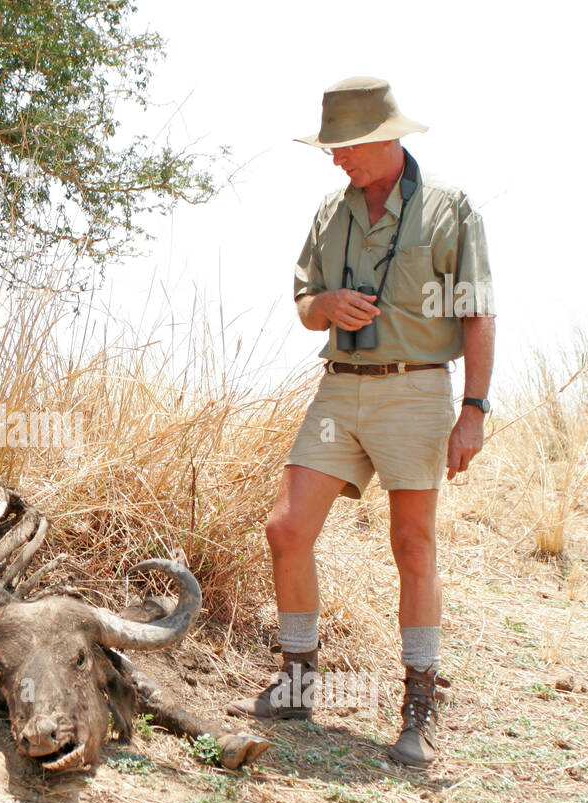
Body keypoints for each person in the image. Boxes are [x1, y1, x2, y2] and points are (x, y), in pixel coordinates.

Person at [226, 77, 496, 768]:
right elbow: (304, 302)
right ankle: (297, 681)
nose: (335, 160)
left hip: (416, 391)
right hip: (339, 392)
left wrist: (474, 410)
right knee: (286, 528)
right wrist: (329, 305)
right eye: (331, 148)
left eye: (344, 147)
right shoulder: (331, 210)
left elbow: (478, 313)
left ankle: (420, 708)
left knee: (412, 545)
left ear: (385, 136)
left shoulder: (449, 208)